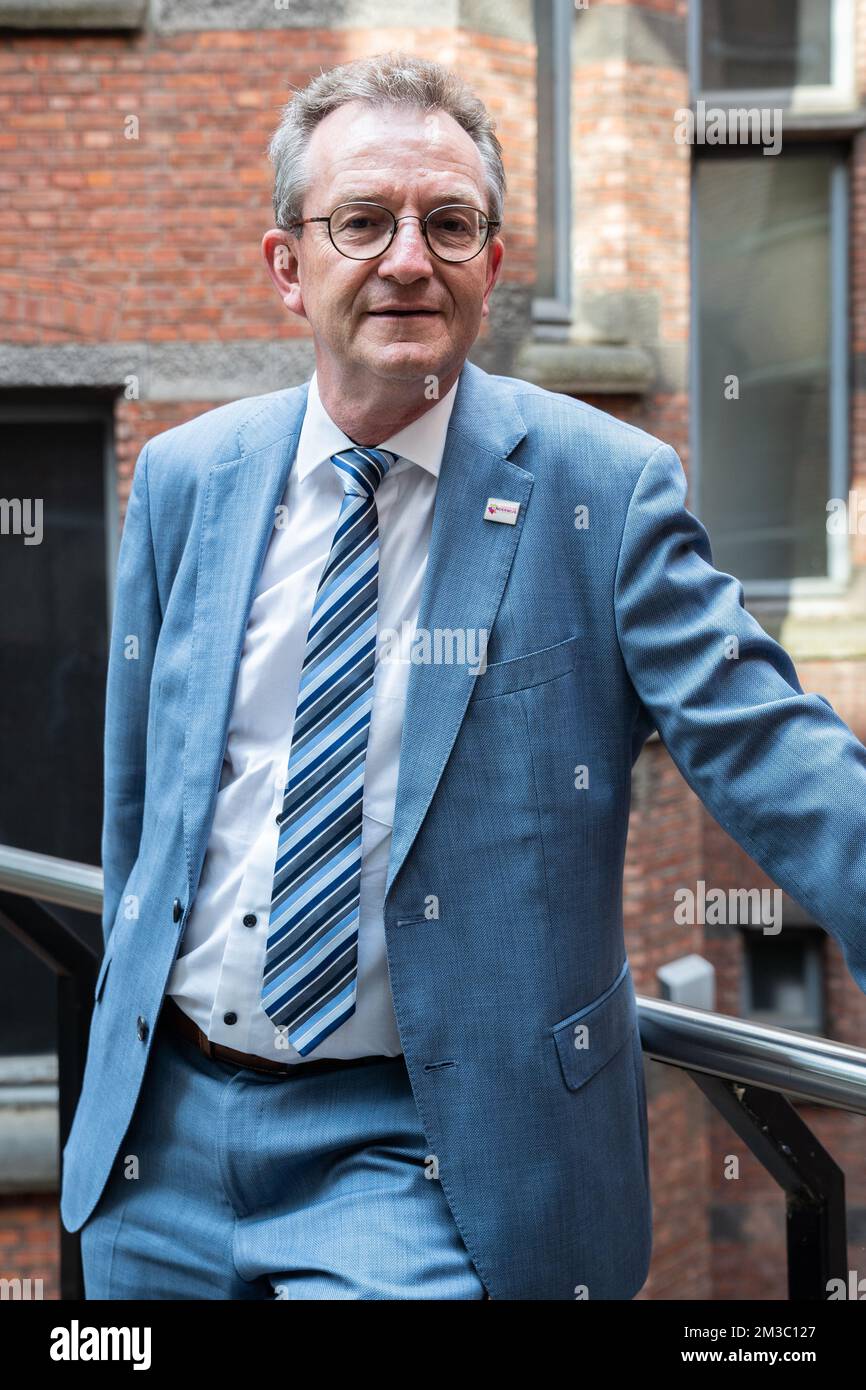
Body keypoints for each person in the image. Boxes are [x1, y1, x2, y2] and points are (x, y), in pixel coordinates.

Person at [60, 51, 866, 1300]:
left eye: (448, 224)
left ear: (491, 264)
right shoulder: (185, 476)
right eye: (362, 222)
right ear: (288, 266)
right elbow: (140, 803)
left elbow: (771, 749)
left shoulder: (603, 488)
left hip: (420, 1159)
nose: (405, 259)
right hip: (158, 1151)